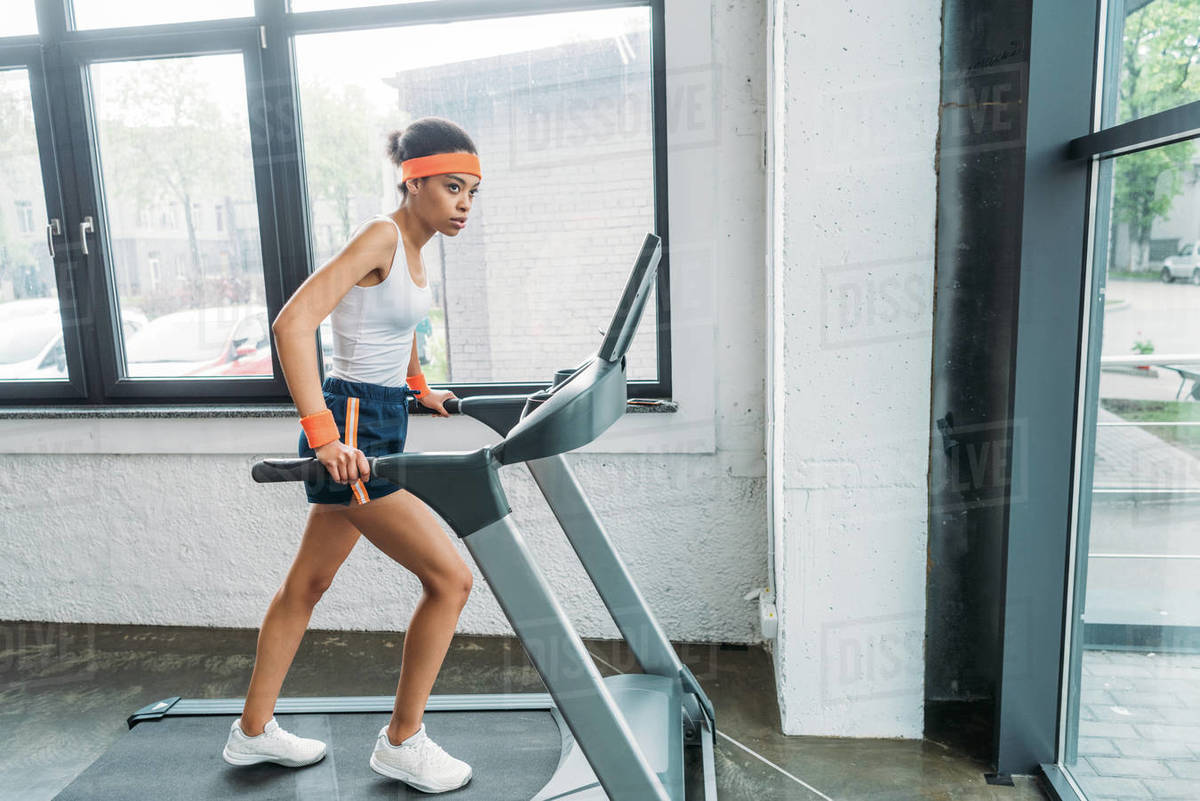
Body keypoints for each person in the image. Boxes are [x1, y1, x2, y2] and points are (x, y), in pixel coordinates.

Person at [221, 117, 481, 794]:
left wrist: (422, 387)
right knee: (451, 580)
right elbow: (293, 322)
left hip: (382, 416)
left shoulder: (417, 249)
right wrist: (324, 434)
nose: (463, 204)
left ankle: (251, 731)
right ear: (414, 179)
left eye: (473, 192)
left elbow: (398, 328)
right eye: (452, 187)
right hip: (352, 429)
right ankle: (402, 740)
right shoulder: (380, 236)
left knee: (307, 584)